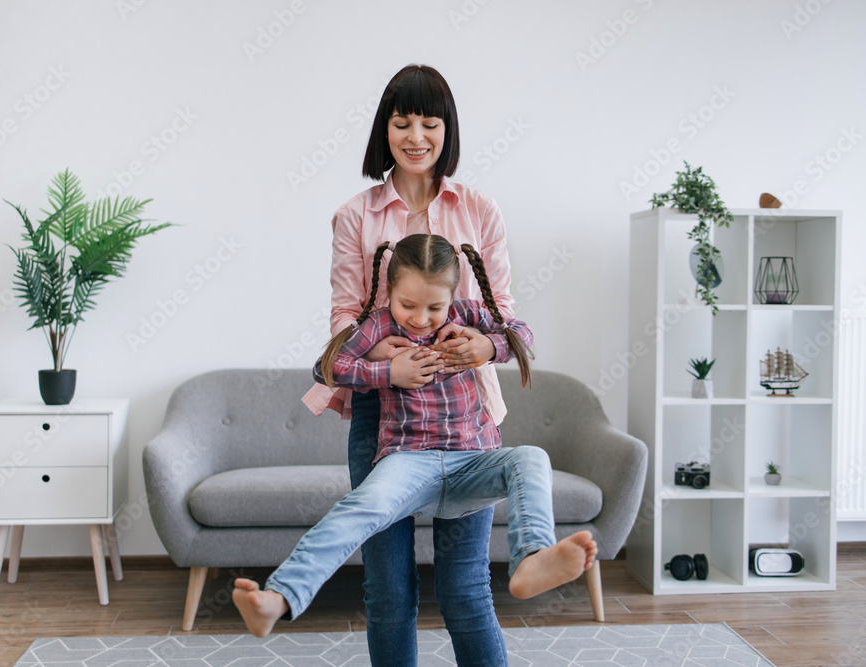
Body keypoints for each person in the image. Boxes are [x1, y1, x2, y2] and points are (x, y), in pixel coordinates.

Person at [232, 234, 597, 638]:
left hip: (472, 461)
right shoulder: (378, 325)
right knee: (359, 508)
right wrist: (387, 371)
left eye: (435, 307)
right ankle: (279, 597)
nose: (421, 319)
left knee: (531, 457)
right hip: (408, 464)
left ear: (452, 296)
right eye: (408, 305)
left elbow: (522, 333)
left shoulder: (467, 314)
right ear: (390, 291)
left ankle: (533, 556)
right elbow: (327, 367)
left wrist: (488, 347)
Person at [299, 62, 517, 667]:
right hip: (382, 413)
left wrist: (484, 347)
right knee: (388, 590)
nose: (416, 137)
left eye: (430, 123)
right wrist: (382, 361)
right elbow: (345, 316)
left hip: (467, 419)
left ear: (448, 129)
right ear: (384, 130)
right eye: (402, 123)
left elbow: (503, 314)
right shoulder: (356, 215)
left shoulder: (480, 210)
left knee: (466, 588)